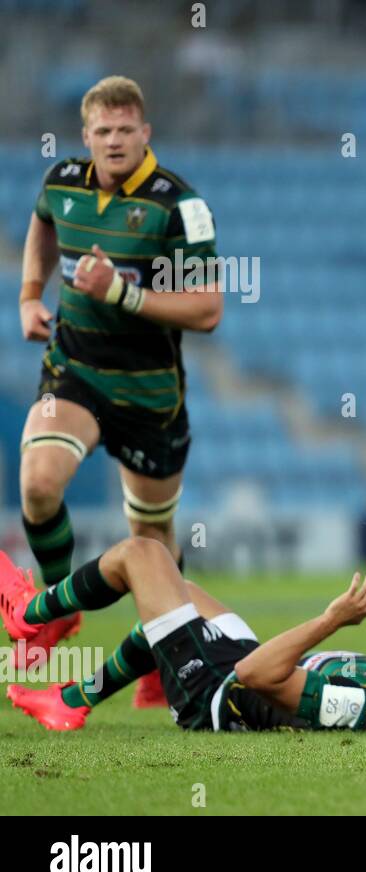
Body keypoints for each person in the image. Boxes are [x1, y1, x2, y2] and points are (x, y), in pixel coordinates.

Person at [15, 76, 223, 708]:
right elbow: (43, 222)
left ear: (145, 134)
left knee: (153, 547)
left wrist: (123, 292)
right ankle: (57, 607)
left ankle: (165, 660)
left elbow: (208, 308)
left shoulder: (179, 207)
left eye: (124, 130)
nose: (113, 141)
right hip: (75, 371)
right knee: (39, 482)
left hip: (149, 396)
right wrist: (29, 293)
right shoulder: (63, 183)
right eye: (102, 131)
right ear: (86, 137)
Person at [2, 540, 366, 732]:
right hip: (246, 661)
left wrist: (331, 620)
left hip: (213, 691)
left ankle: (30, 611)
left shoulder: (357, 704)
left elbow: (252, 674)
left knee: (142, 556)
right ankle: (70, 701)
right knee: (178, 590)